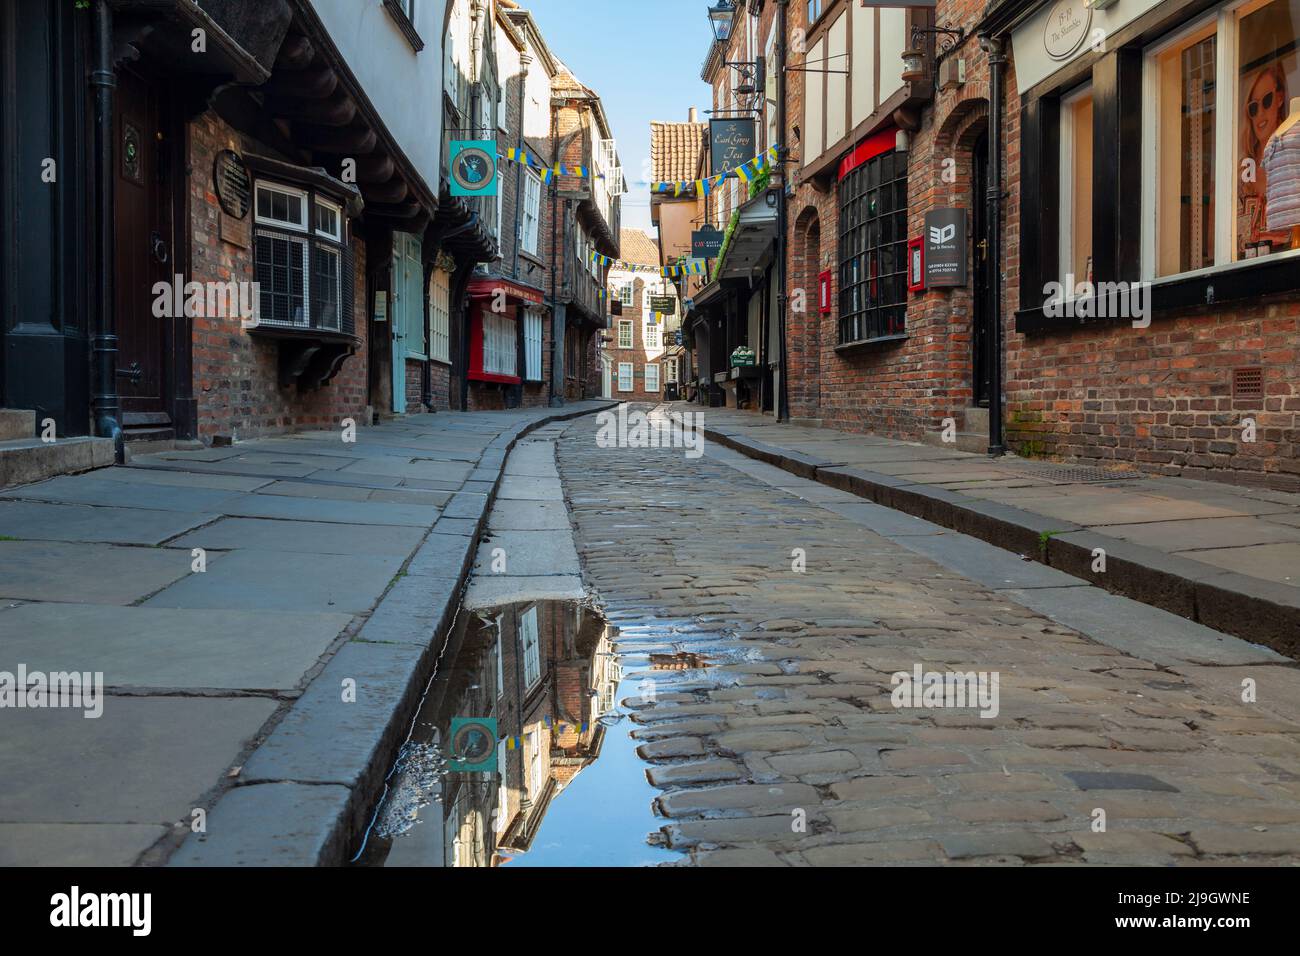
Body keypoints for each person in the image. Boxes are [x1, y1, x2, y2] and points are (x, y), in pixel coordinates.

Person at [1240, 63, 1293, 253]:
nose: (1260, 113)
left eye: (1267, 100)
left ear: (1279, 98)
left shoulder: (1293, 159)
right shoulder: (1242, 173)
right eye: (1253, 108)